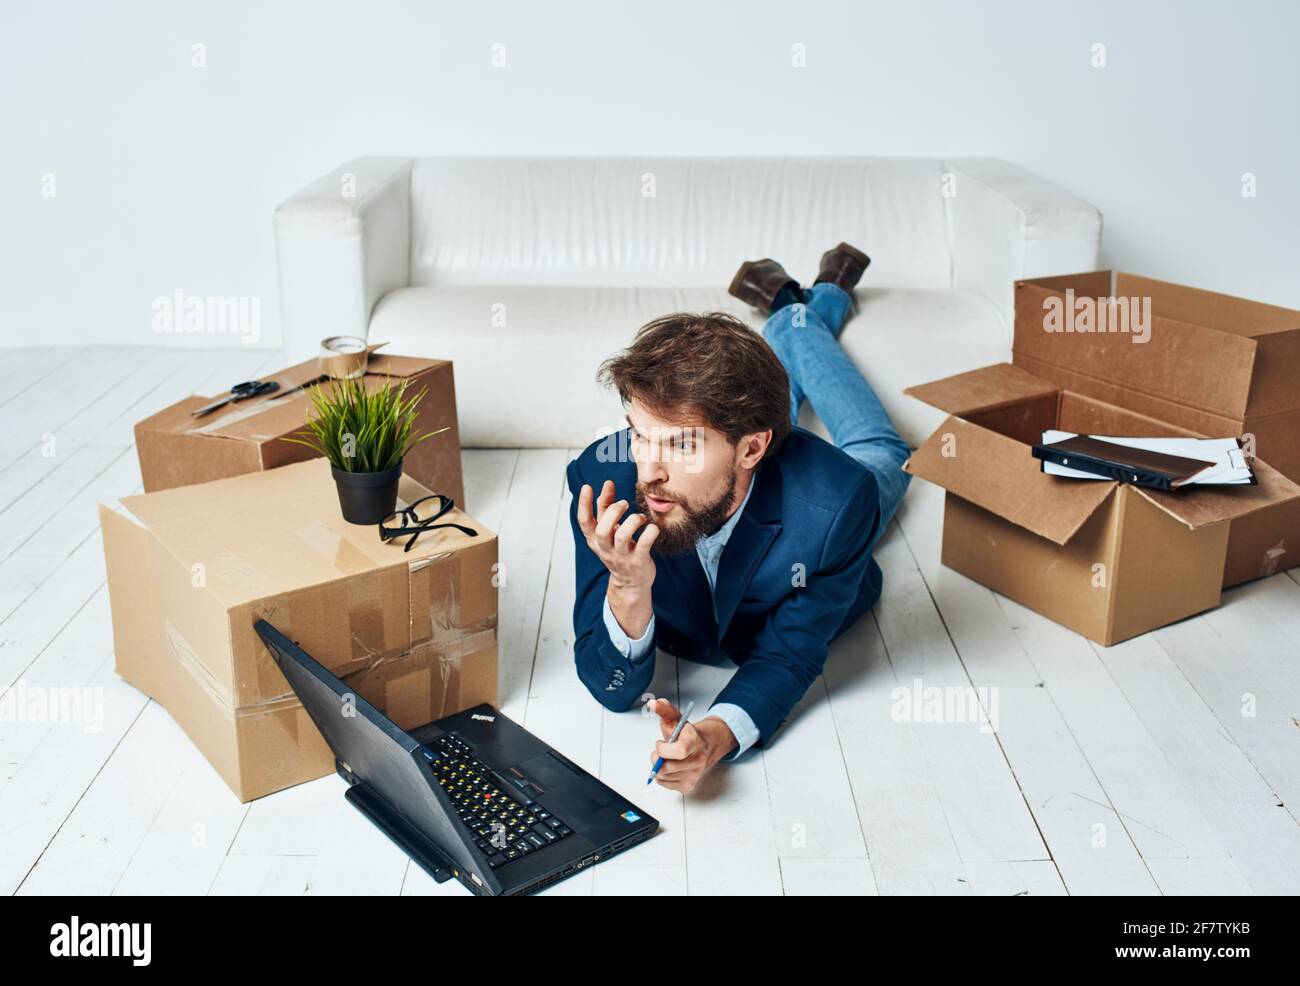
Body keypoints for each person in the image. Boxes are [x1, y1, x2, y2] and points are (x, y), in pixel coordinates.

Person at [565, 243, 911, 794]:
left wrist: (716, 734)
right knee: (760, 409)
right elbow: (608, 687)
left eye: (681, 445)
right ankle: (805, 309)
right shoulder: (603, 482)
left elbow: (788, 655)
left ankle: (792, 313)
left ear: (752, 450)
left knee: (884, 454)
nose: (647, 472)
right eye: (638, 434)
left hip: (826, 487)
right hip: (762, 448)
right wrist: (628, 587)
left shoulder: (838, 503)